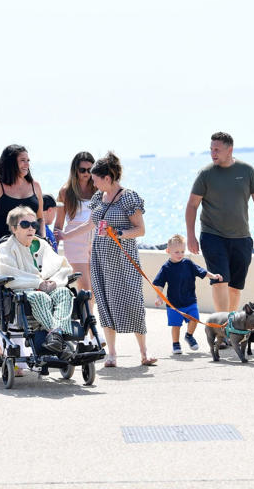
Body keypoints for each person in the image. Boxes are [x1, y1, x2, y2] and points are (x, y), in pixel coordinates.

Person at [85, 152, 156, 367]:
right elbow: (89, 225)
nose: (93, 184)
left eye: (96, 180)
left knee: (133, 301)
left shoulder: (128, 197)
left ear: (107, 178)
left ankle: (144, 352)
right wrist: (64, 234)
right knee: (105, 302)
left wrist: (117, 232)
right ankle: (112, 354)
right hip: (100, 257)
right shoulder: (98, 198)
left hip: (124, 258)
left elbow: (140, 230)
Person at [185, 131, 254, 313]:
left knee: (235, 287)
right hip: (212, 235)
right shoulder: (205, 174)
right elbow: (192, 205)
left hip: (241, 238)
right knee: (219, 281)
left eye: (217, 149)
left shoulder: (246, 171)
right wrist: (191, 236)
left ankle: (230, 326)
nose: (213, 153)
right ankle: (222, 329)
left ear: (229, 150)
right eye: (211, 149)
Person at [0, 206, 75, 353]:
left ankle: (55, 337)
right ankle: (57, 335)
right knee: (40, 296)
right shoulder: (5, 248)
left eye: (34, 225)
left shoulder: (42, 244)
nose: (31, 229)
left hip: (48, 288)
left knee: (64, 292)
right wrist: (37, 283)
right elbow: (8, 275)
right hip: (23, 293)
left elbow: (61, 266)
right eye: (25, 225)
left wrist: (55, 282)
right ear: (14, 229)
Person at [153, 234, 222, 355]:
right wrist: (159, 297)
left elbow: (202, 271)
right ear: (168, 251)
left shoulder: (188, 263)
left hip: (190, 301)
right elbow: (159, 283)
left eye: (182, 251)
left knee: (194, 319)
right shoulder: (166, 268)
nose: (180, 254)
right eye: (176, 252)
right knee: (176, 326)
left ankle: (189, 336)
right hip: (174, 304)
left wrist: (213, 276)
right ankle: (175, 344)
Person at [54, 151, 97, 308]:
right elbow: (58, 224)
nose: (87, 174)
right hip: (73, 240)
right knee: (85, 288)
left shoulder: (98, 190)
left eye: (90, 170)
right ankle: (89, 330)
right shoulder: (66, 191)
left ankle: (90, 329)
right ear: (75, 170)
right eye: (82, 170)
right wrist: (53, 246)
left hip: (96, 239)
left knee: (95, 288)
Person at [0, 144, 44, 243]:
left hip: (30, 248)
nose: (27, 164)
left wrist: (43, 239)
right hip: (0, 247)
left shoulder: (35, 186)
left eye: (28, 161)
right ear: (10, 163)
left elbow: (40, 218)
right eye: (23, 160)